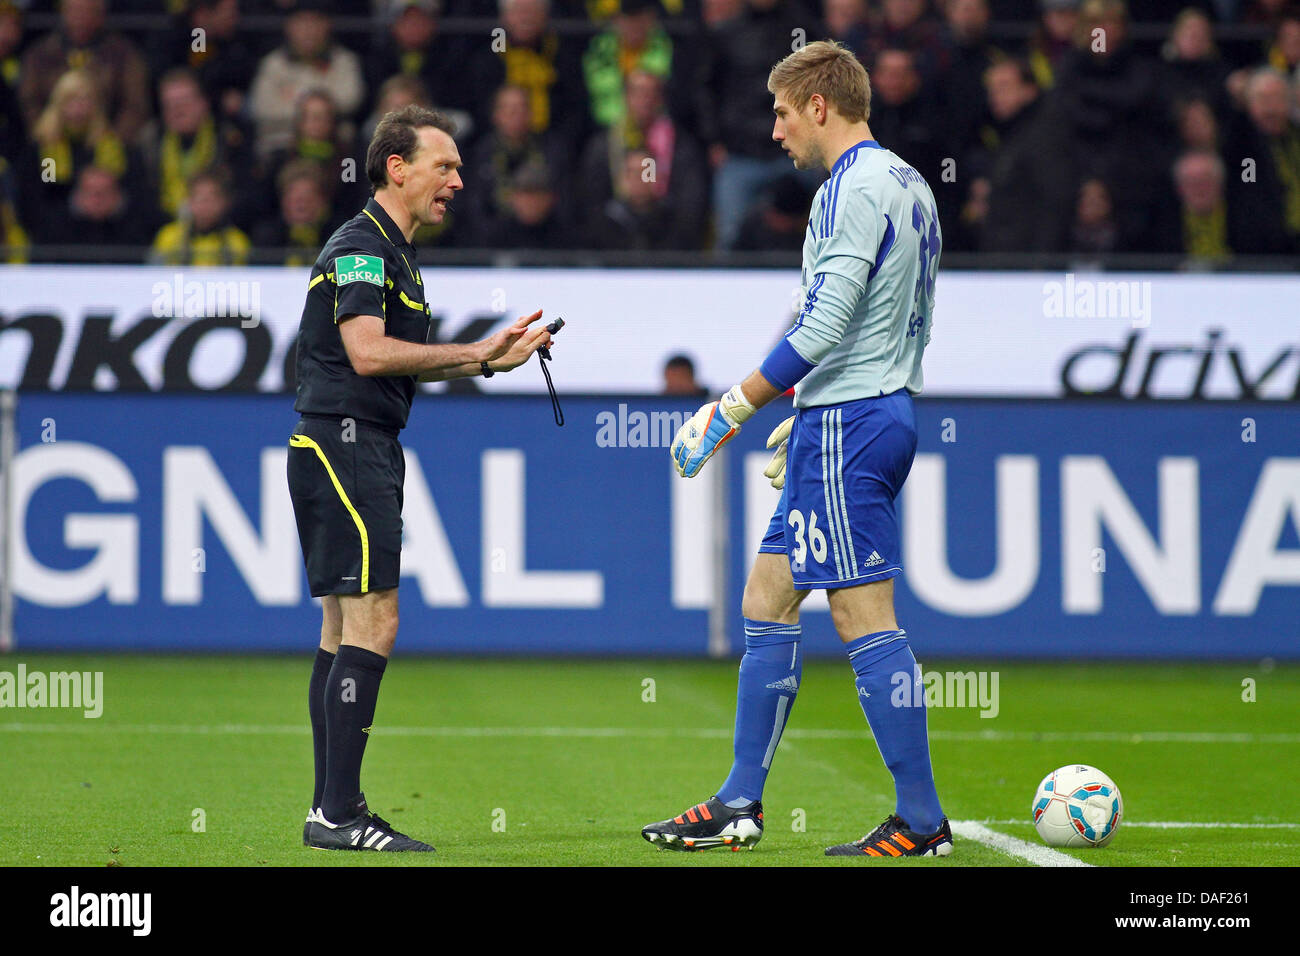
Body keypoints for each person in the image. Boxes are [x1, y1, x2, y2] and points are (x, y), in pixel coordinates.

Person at [642, 40, 951, 858]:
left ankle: (922, 821)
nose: (774, 130)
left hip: (853, 423)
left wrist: (734, 406)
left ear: (820, 104)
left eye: (782, 112)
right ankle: (739, 801)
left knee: (861, 613)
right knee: (767, 598)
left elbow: (826, 321)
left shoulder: (851, 189)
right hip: (851, 412)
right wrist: (810, 406)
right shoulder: (910, 183)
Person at [290, 105, 554, 852]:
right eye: (444, 166)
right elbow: (368, 354)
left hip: (342, 444)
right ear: (396, 168)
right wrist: (474, 353)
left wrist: (487, 359)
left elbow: (380, 361)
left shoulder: (393, 255)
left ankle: (329, 810)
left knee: (342, 625)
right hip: (348, 448)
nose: (458, 182)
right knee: (376, 619)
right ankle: (339, 812)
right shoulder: (363, 250)